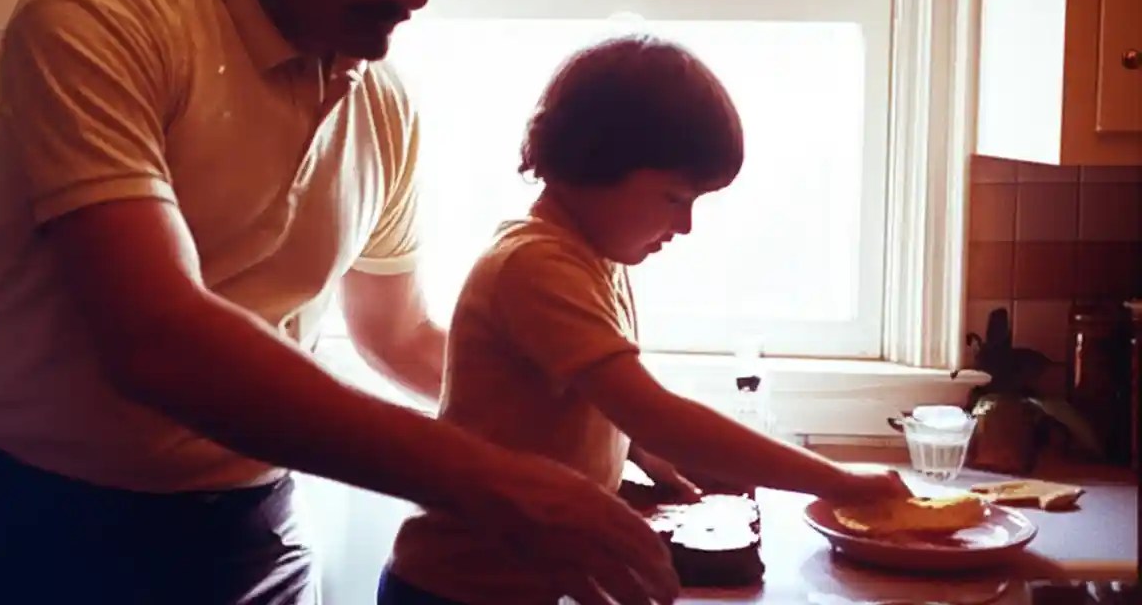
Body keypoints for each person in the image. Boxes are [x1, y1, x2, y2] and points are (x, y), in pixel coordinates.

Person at [0, 0, 680, 604]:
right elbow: (158, 338)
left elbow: (398, 334)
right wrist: (493, 480)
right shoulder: (102, 9)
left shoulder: (384, 104)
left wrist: (594, 418)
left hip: (260, 532)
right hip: (50, 529)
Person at [380, 35, 912, 604]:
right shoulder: (536, 265)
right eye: (674, 198)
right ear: (599, 161)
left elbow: (572, 399)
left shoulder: (591, 259)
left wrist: (632, 450)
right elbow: (658, 413)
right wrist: (840, 482)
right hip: (456, 590)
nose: (684, 226)